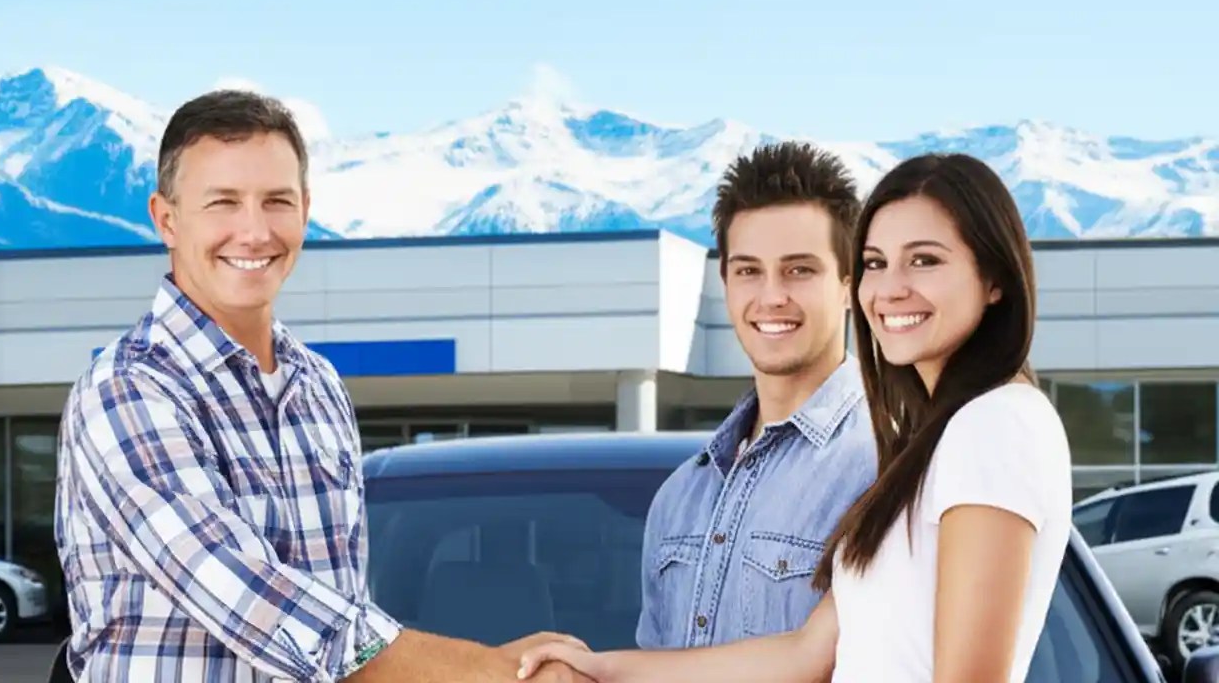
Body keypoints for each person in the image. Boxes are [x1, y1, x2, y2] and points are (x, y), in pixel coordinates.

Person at [53, 89, 590, 682]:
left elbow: (349, 616)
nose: (254, 231)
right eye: (223, 202)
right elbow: (257, 604)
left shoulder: (319, 387)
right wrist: (490, 671)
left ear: (305, 210)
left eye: (276, 201)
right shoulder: (128, 391)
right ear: (167, 219)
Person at [515, 152, 1074, 683]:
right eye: (877, 262)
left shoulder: (996, 423)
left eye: (925, 260)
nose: (892, 287)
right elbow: (804, 655)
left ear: (994, 278)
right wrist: (599, 666)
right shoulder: (927, 450)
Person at [635, 141, 877, 652]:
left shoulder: (888, 466)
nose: (771, 297)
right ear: (724, 281)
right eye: (748, 270)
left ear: (848, 284)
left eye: (799, 270)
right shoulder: (677, 500)